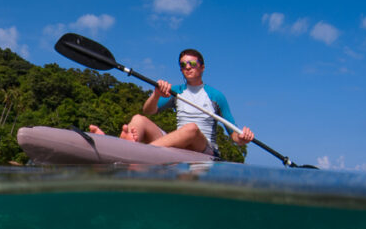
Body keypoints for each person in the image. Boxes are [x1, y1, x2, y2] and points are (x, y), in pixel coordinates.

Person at [88, 48, 254, 156]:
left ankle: (136, 152)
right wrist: (156, 94)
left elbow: (233, 135)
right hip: (178, 147)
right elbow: (148, 111)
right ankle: (120, 149)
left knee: (191, 129)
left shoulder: (216, 96)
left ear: (202, 67)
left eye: (192, 63)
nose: (187, 67)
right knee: (138, 119)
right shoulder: (176, 92)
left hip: (205, 150)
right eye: (183, 65)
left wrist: (243, 138)